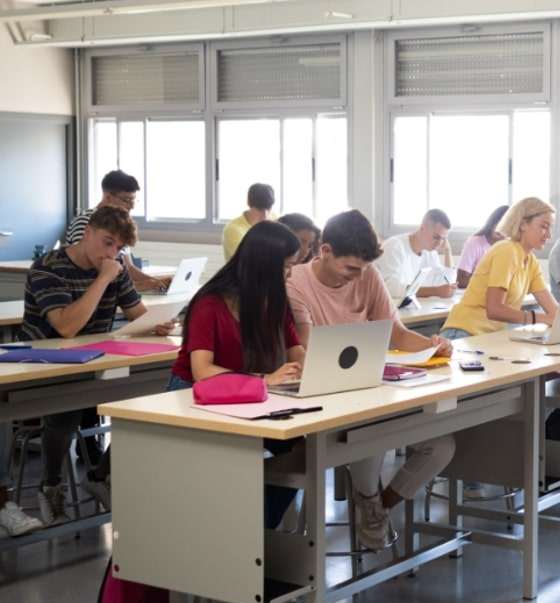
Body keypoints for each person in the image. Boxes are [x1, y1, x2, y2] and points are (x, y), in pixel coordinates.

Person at [287, 209, 455, 550]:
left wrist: (432, 346)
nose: (358, 277)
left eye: (364, 269)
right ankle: (369, 504)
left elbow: (396, 334)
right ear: (326, 251)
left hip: (372, 392)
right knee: (367, 439)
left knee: (441, 446)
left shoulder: (367, 274)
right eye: (351, 268)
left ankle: (375, 507)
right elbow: (307, 350)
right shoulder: (295, 283)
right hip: (327, 399)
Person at [20, 207, 175, 525]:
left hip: (97, 359)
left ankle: (101, 473)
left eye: (118, 248)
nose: (112, 254)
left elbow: (137, 313)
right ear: (87, 232)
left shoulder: (114, 268)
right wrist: (104, 279)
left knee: (149, 403)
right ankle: (51, 485)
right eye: (107, 242)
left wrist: (155, 324)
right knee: (65, 413)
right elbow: (67, 327)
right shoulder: (48, 268)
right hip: (43, 366)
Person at [169, 221, 307, 530]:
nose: (289, 275)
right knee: (240, 460)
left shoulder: (274, 300)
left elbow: (295, 349)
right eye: (285, 268)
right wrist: (264, 379)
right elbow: (201, 371)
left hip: (251, 396)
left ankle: (260, 530)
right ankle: (244, 533)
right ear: (264, 267)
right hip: (193, 397)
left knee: (304, 450)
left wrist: (309, 371)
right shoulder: (210, 303)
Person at [441, 197, 558, 340]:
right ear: (523, 224)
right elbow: (494, 309)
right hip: (465, 333)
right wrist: (539, 318)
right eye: (544, 227)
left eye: (550, 228)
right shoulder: (507, 250)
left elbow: (554, 312)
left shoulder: (531, 260)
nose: (549, 235)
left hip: (489, 337)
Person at [65, 169, 168, 295]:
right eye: (126, 200)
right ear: (108, 197)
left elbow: (128, 268)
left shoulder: (121, 225)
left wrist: (156, 281)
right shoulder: (86, 221)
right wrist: (142, 285)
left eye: (133, 200)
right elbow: (87, 275)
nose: (132, 206)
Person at [377, 209, 456, 300]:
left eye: (443, 238)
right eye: (436, 237)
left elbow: (446, 282)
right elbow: (390, 288)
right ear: (422, 228)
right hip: (390, 308)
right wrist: (435, 291)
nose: (439, 243)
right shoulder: (395, 246)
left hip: (413, 308)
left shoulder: (430, 251)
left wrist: (448, 250)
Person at [457, 205, 508, 288]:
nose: (501, 228)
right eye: (499, 222)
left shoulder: (511, 247)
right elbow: (461, 281)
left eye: (507, 225)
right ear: (493, 221)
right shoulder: (475, 242)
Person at [222, 183, 276, 261]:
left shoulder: (275, 218)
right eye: (259, 209)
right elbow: (247, 261)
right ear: (248, 203)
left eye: (268, 208)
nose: (265, 215)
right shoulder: (233, 230)